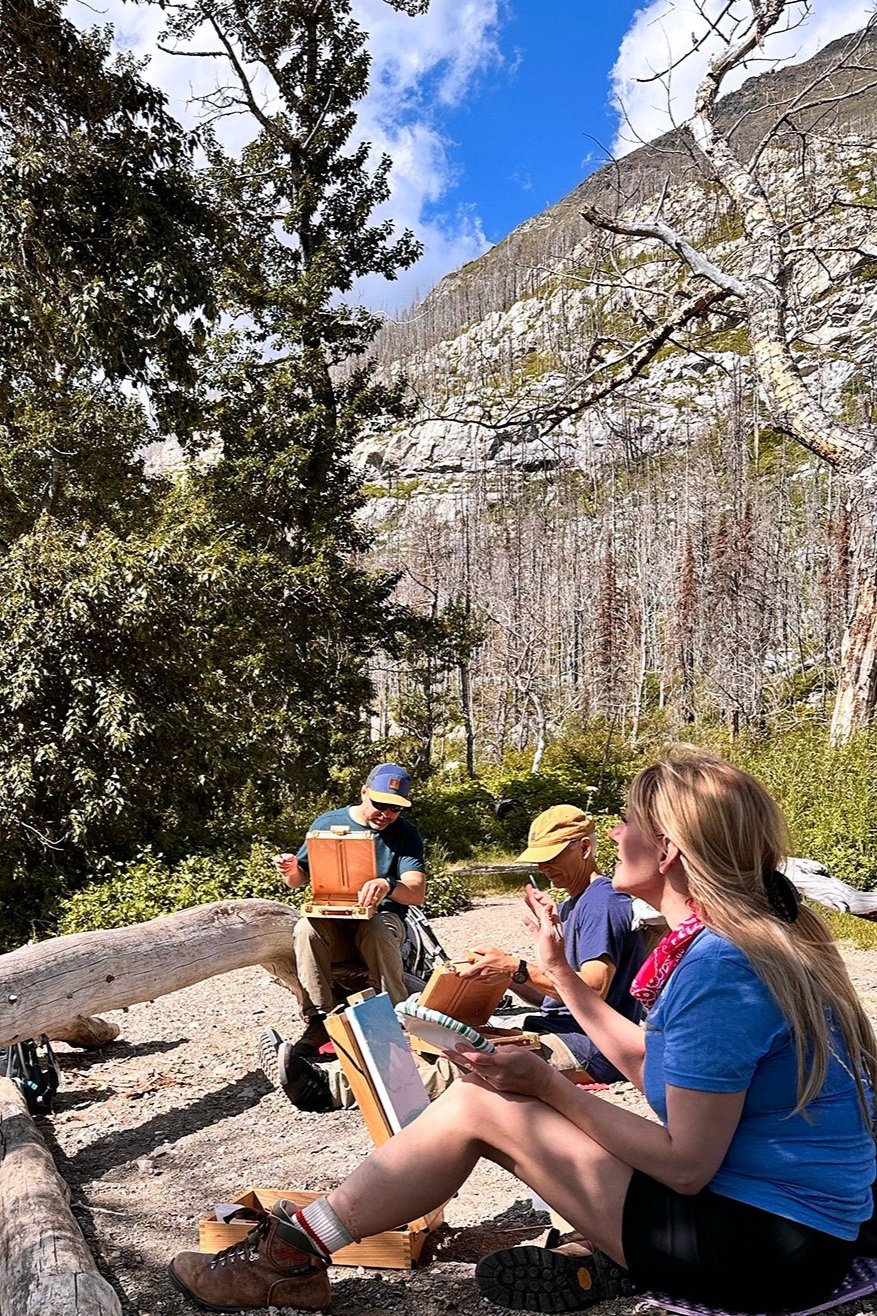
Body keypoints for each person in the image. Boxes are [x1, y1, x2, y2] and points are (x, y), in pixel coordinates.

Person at [170, 750, 877, 1316]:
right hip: (790, 1228)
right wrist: (560, 977)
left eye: (625, 821)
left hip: (761, 1249)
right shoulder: (745, 941)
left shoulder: (719, 967)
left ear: (666, 850)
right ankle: (301, 1250)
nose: (614, 834)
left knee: (483, 1106)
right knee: (501, 1096)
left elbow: (686, 1163)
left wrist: (542, 1083)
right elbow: (655, 1063)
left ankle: (287, 1260)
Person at [263, 804, 647, 1113]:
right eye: (539, 859)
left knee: (466, 1064)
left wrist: (517, 967)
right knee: (442, 1040)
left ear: (585, 847)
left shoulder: (603, 902)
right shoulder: (574, 903)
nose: (545, 868)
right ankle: (342, 1066)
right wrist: (500, 977)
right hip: (558, 1029)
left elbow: (593, 991)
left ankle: (327, 1089)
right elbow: (552, 995)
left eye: (554, 857)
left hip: (590, 1048)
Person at [264, 763, 426, 1062]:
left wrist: (387, 884)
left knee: (376, 928)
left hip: (383, 920)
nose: (386, 814)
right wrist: (290, 869)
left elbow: (416, 893)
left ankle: (395, 1016)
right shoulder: (328, 823)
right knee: (305, 929)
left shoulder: (405, 834)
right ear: (364, 792)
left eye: (395, 809)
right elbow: (299, 879)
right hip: (334, 921)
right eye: (380, 804)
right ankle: (319, 1020)